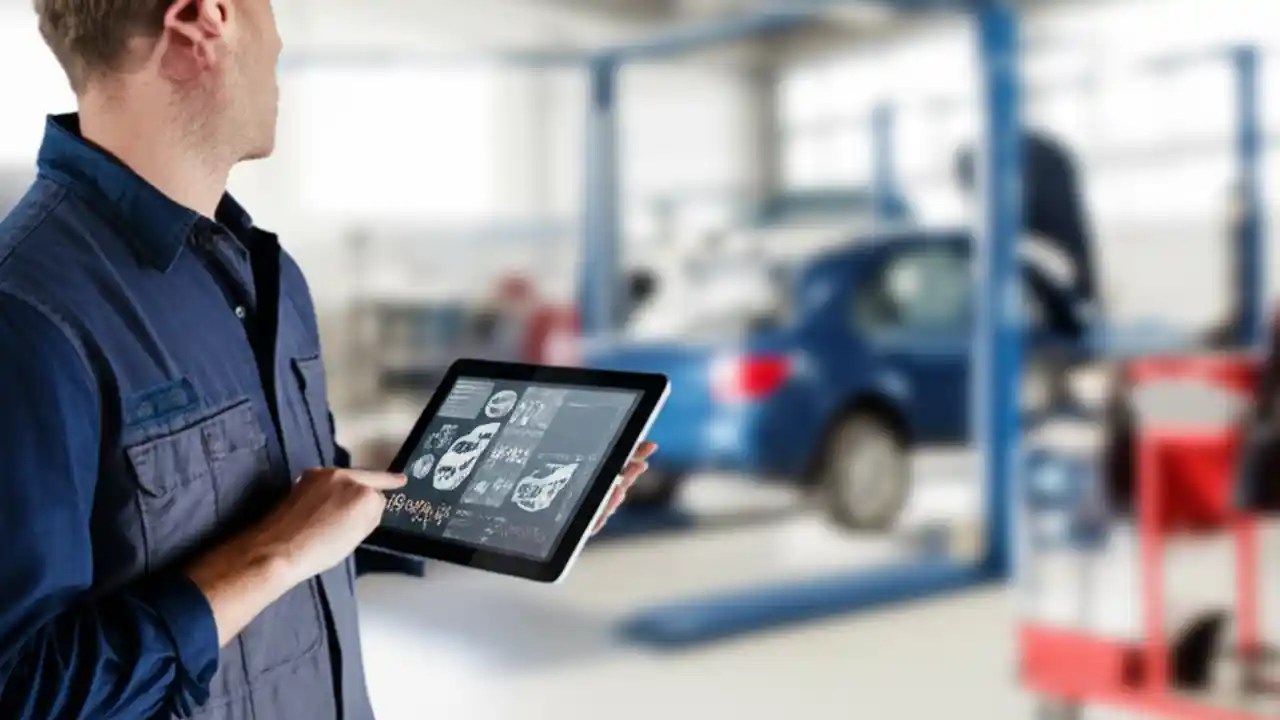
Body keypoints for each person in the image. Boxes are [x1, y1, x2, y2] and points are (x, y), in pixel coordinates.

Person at [0, 1, 656, 718]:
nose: (276, 42)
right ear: (202, 22)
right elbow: (23, 688)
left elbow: (313, 511)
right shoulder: (30, 315)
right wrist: (270, 554)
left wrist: (506, 513)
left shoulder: (262, 275)